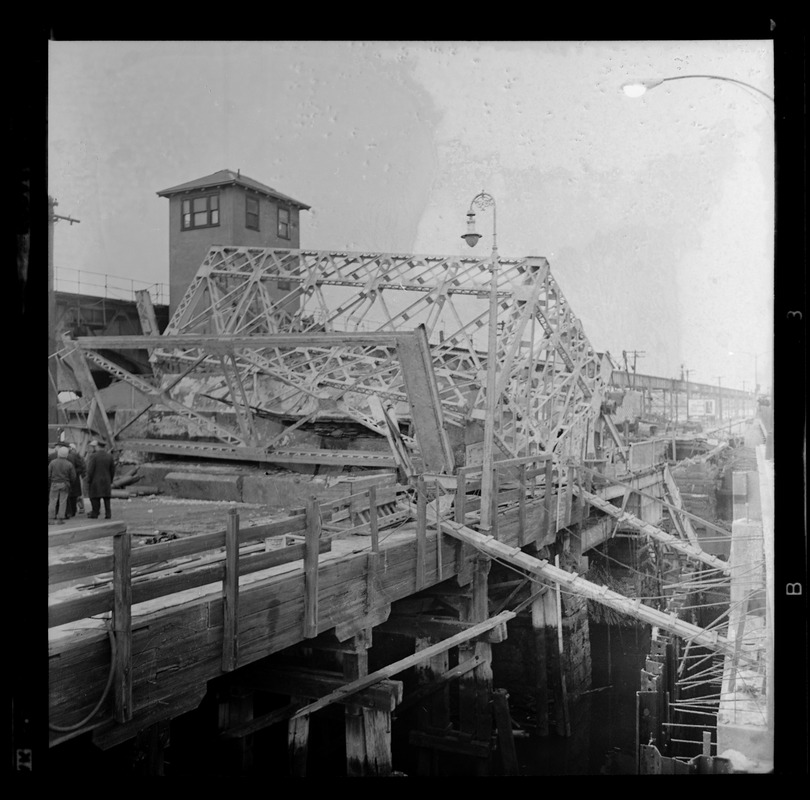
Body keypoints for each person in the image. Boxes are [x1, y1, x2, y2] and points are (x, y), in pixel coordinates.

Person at [86, 440, 116, 519]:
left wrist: (89, 479)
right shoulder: (109, 456)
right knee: (106, 498)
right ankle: (108, 514)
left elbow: (90, 470)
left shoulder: (93, 456)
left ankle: (95, 513)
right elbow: (112, 470)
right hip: (106, 480)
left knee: (95, 498)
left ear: (98, 447)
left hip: (95, 481)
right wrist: (111, 479)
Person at [48, 446, 76, 525]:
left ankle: (50, 519)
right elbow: (73, 476)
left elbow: (48, 474)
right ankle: (60, 518)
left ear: (58, 454)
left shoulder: (52, 462)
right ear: (66, 455)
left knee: (52, 501)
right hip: (65, 484)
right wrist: (69, 482)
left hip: (54, 484)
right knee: (62, 502)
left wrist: (52, 480)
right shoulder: (69, 464)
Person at [66, 443, 86, 518]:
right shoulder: (76, 456)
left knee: (74, 496)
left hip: (75, 479)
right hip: (74, 478)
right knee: (74, 496)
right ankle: (75, 510)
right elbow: (82, 467)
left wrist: (73, 472)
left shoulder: (76, 456)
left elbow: (81, 467)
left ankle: (76, 510)